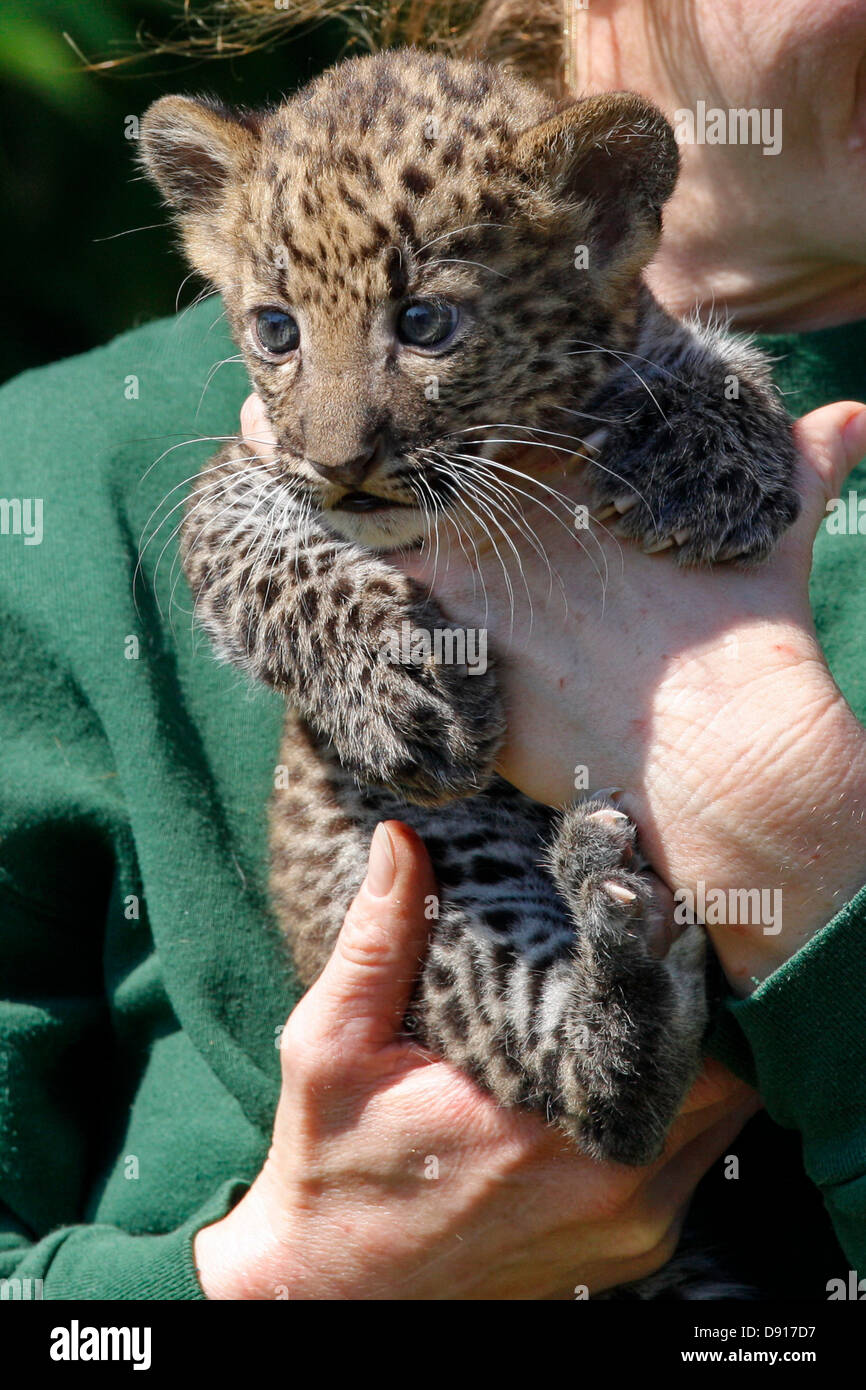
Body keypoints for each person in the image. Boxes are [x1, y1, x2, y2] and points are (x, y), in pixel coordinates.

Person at [0, 0, 863, 1300]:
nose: (338, 435)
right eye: (279, 334)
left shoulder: (691, 401)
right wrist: (273, 1277)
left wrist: (787, 834)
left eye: (428, 326)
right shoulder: (67, 478)